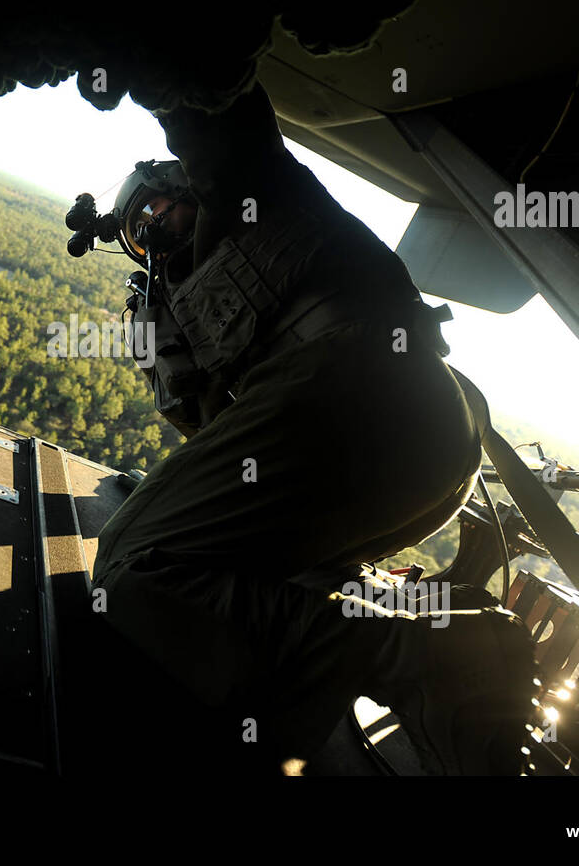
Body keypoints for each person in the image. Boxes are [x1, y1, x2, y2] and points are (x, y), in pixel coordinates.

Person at [84, 80, 537, 774]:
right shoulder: (175, 311)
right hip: (418, 451)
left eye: (156, 203)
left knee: (132, 567)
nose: (151, 225)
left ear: (185, 184)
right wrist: (163, 343)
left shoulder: (241, 190)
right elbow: (219, 444)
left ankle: (431, 659)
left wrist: (155, 55)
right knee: (247, 575)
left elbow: (218, 112)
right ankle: (413, 645)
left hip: (362, 393)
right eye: (135, 228)